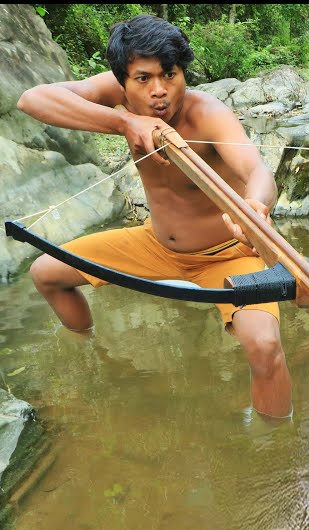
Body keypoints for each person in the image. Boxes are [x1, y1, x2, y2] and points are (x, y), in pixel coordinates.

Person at [17, 13, 293, 420]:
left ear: (183, 72)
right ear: (123, 81)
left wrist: (255, 208)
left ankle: (275, 441)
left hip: (230, 252)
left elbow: (257, 171)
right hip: (157, 244)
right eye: (143, 79)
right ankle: (89, 353)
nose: (158, 90)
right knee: (46, 274)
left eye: (170, 74)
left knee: (265, 347)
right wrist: (126, 121)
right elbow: (32, 100)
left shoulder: (206, 113)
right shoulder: (122, 98)